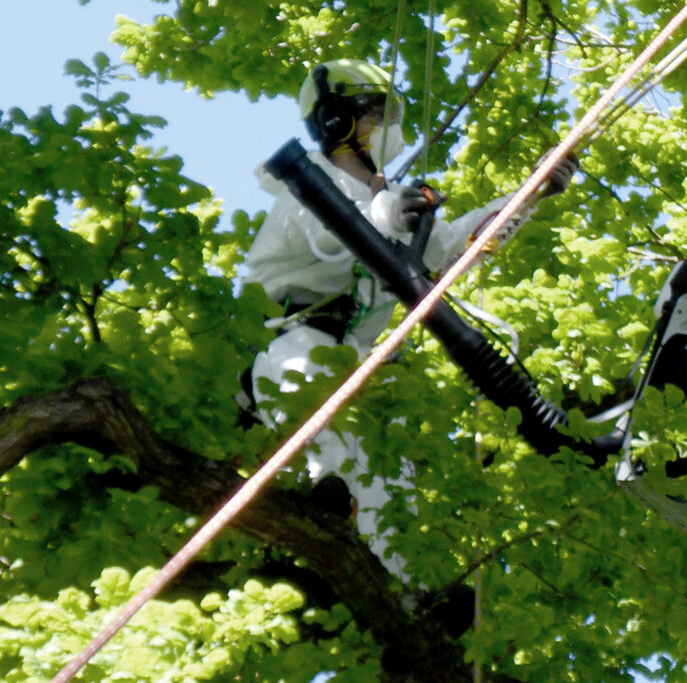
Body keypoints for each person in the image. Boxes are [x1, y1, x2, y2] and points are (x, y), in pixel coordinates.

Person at [244, 58, 577, 580]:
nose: (388, 126)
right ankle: (326, 497)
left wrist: (530, 194)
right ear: (339, 122)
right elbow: (325, 233)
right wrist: (385, 214)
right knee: (309, 382)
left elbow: (458, 248)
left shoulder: (386, 209)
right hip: (295, 343)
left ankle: (398, 582)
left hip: (364, 368)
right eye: (377, 113)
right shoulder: (301, 187)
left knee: (389, 473)